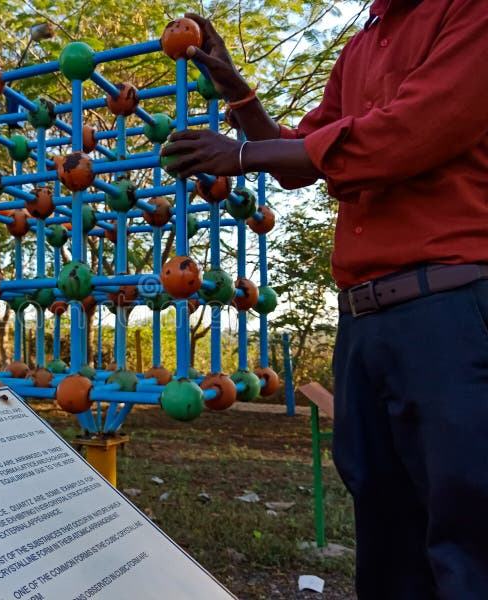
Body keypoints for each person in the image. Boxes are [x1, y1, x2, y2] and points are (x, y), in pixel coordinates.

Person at [160, 2, 488, 598]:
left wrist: (239, 156)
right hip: (363, 323)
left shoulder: (469, 13)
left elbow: (406, 135)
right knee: (386, 539)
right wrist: (239, 94)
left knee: (468, 533)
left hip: (450, 310)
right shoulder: (360, 49)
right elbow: (299, 159)